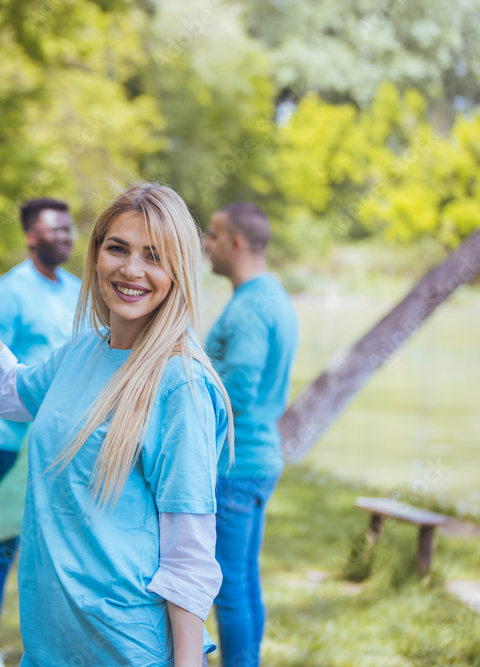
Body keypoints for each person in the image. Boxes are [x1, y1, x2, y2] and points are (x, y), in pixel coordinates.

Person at [0, 182, 233, 666]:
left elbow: (189, 555)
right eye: (117, 248)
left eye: (154, 256)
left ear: (179, 269)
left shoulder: (180, 385)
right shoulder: (85, 350)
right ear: (96, 255)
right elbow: (5, 390)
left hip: (125, 645)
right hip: (51, 641)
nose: (131, 270)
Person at [0, 198, 82, 667]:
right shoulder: (9, 292)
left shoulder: (79, 290)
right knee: (3, 541)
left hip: (66, 443)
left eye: (69, 228)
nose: (66, 237)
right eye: (55, 229)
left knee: (60, 545)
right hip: (12, 443)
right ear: (32, 236)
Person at [203, 203, 299, 667]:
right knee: (244, 578)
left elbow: (237, 388)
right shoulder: (271, 295)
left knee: (229, 587)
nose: (206, 244)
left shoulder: (251, 307)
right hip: (258, 460)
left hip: (235, 466)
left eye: (212, 235)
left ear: (235, 243)